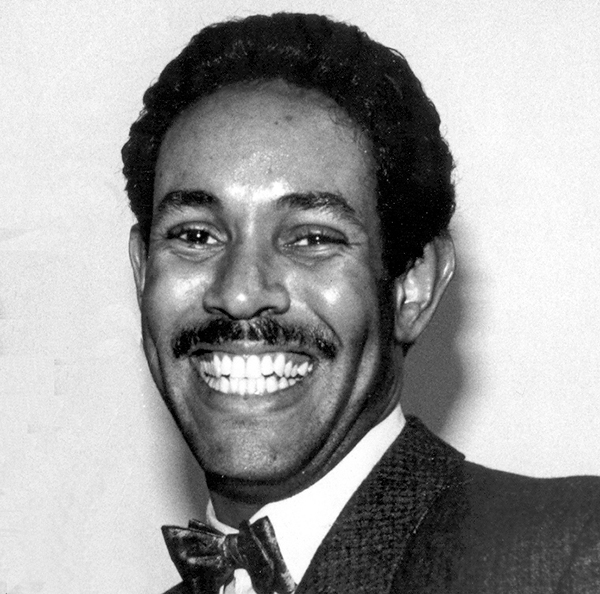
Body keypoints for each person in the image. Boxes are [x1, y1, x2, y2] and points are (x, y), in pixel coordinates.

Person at [122, 12, 600, 594]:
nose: (240, 292)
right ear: (142, 271)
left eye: (311, 238)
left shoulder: (571, 556)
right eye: (196, 235)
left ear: (412, 286)